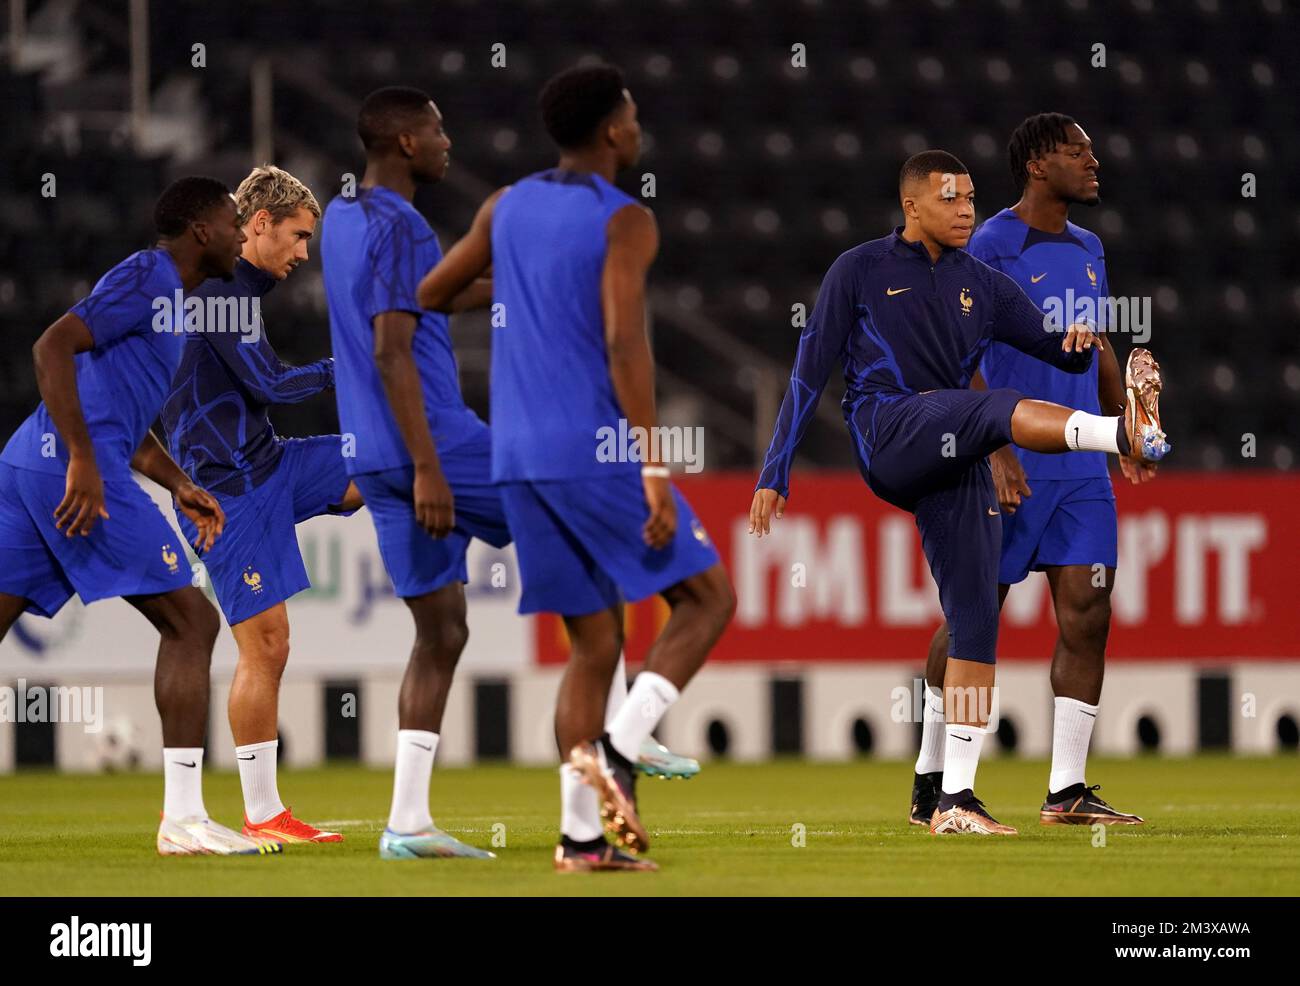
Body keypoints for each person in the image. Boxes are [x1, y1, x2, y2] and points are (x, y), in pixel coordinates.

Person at [750, 150, 1167, 836]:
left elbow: (1055, 349)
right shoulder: (859, 268)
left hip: (954, 456)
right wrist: (776, 469)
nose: (966, 208)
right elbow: (808, 369)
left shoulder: (985, 284)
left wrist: (1080, 340)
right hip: (886, 427)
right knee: (994, 406)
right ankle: (1118, 435)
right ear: (912, 206)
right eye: (950, 198)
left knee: (975, 618)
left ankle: (951, 800)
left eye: (972, 196)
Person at [418, 64, 735, 871]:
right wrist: (653, 466)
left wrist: (522, 285)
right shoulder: (623, 220)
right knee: (706, 598)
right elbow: (627, 342)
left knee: (595, 643)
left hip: (516, 458)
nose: (637, 125)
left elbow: (432, 290)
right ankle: (623, 752)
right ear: (612, 132)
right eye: (630, 113)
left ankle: (582, 840)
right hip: (591, 450)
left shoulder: (507, 203)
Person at [0, 177, 276, 856]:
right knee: (193, 620)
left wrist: (177, 482)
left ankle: (185, 819)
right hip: (69, 472)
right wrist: (84, 461)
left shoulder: (171, 303)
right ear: (201, 232)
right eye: (233, 222)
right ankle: (183, 819)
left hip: (31, 463)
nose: (243, 234)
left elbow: (122, 421)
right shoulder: (150, 275)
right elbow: (50, 346)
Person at [909, 115, 1146, 829]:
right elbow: (959, 353)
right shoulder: (989, 244)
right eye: (1080, 151)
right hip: (1006, 462)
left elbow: (1096, 339)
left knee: (1088, 613)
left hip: (1079, 468)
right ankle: (934, 778)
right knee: (974, 618)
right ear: (1040, 164)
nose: (1094, 160)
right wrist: (997, 448)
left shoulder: (1090, 247)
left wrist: (1122, 427)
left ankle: (1066, 790)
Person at [322, 87, 504, 859]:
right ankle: (619, 751)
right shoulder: (401, 222)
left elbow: (428, 302)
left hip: (374, 454)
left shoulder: (343, 219)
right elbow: (394, 348)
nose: (446, 141)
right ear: (403, 142)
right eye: (435, 128)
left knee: (443, 630)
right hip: (433, 444)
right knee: (595, 520)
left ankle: (407, 823)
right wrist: (433, 468)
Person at [161, 165, 362, 844]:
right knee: (268, 644)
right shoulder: (218, 292)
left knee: (382, 461)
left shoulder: (239, 291)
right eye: (298, 236)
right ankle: (262, 811)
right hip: (227, 494)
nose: (304, 254)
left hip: (271, 463)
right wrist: (361, 366)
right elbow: (270, 383)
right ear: (258, 226)